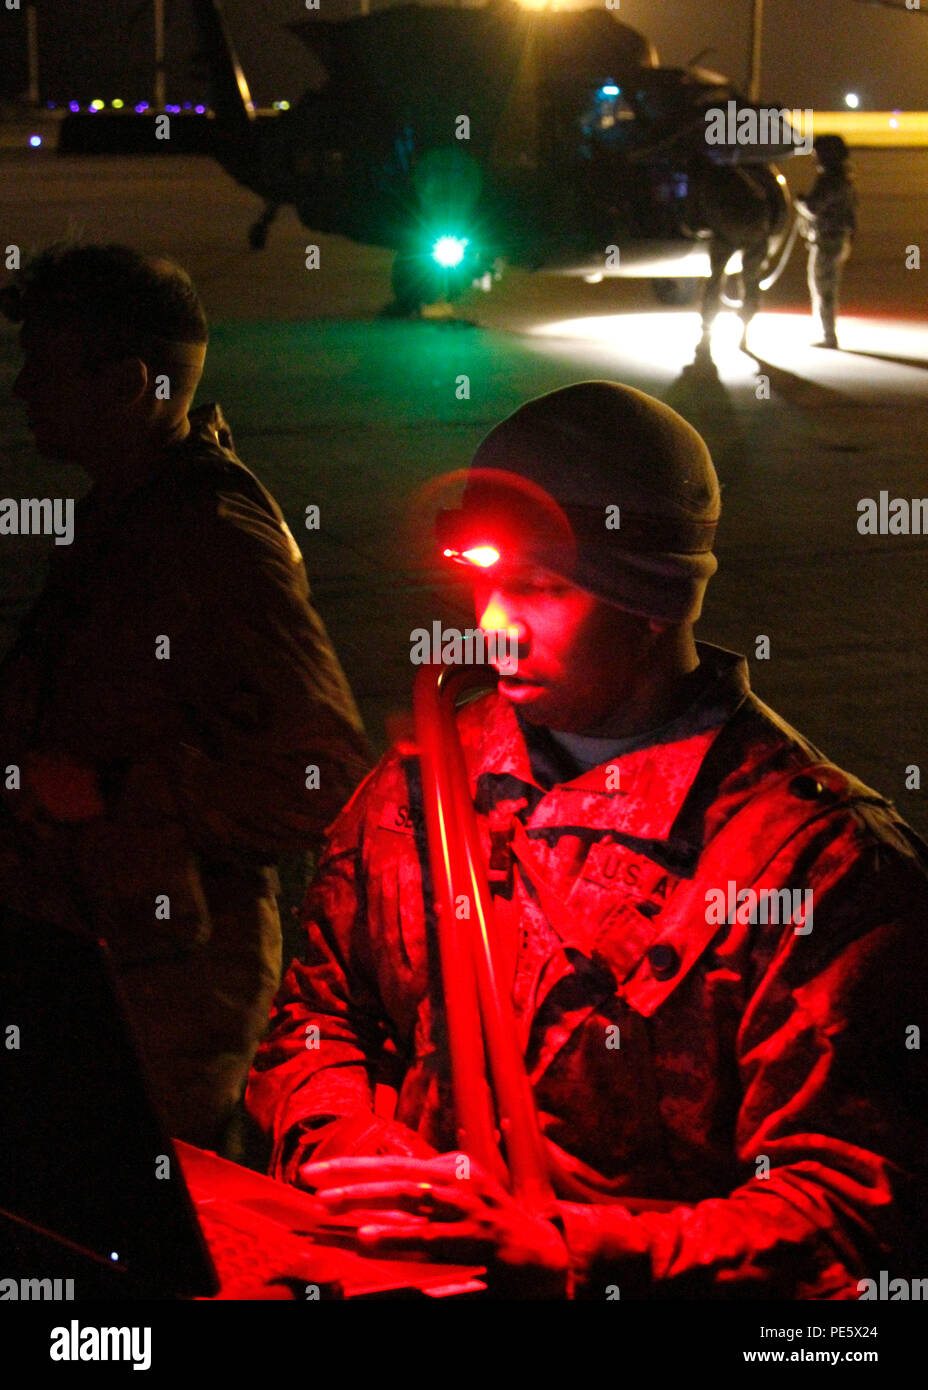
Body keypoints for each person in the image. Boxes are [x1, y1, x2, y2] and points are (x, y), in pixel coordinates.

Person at [246, 381, 928, 1298]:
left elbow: (847, 1208)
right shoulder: (420, 788)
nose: (492, 625)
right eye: (485, 582)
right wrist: (367, 1164)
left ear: (653, 607)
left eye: (541, 588)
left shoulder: (816, 868)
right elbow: (317, 1021)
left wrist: (570, 1251)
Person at [0, 242, 372, 1151]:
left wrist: (120, 791)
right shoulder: (133, 508)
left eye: (42, 367)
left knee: (159, 1242)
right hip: (98, 961)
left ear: (128, 385)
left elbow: (322, 778)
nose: (20, 392)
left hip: (164, 999)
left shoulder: (211, 536)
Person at [795, 133, 857, 349]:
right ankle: (826, 333)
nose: (815, 158)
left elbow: (813, 207)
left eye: (818, 154)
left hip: (828, 240)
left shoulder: (830, 180)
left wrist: (800, 202)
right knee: (825, 285)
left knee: (823, 287)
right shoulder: (844, 179)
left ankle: (828, 335)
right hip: (837, 239)